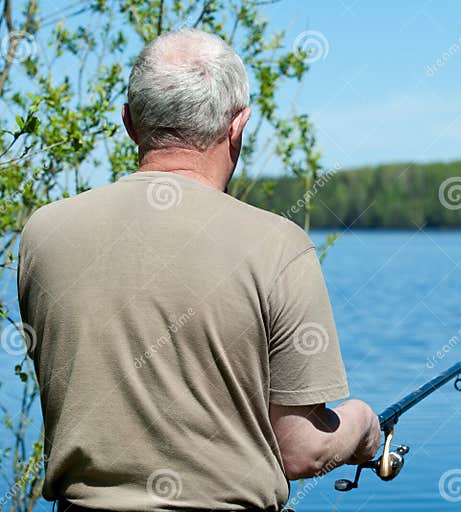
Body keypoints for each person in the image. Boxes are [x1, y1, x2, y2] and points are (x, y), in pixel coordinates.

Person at [17, 29, 381, 512]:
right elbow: (301, 450)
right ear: (239, 126)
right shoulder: (279, 246)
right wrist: (362, 425)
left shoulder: (44, 233)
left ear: (128, 123)